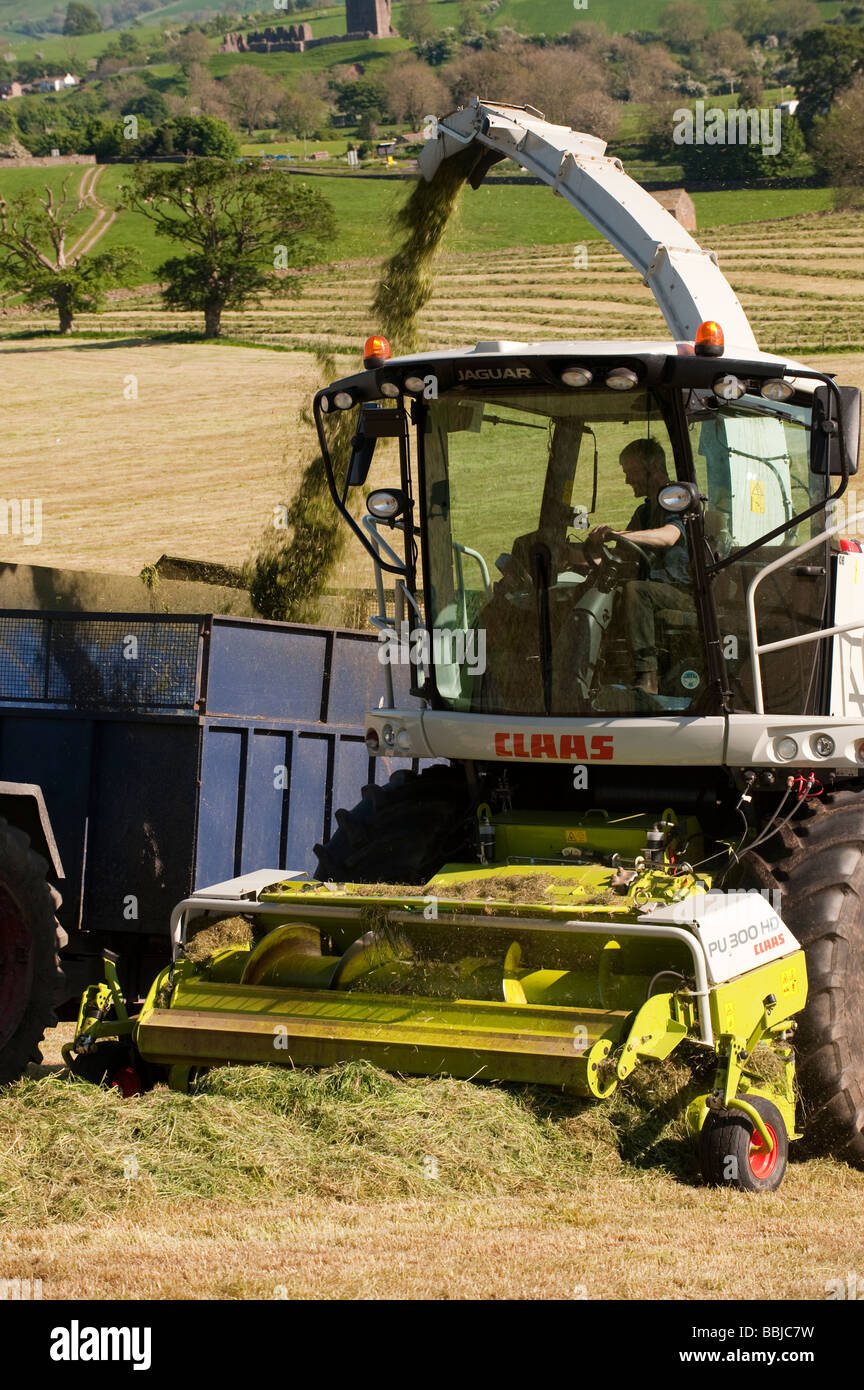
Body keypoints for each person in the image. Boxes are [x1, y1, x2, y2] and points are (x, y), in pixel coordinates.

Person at [585, 438, 691, 695]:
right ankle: (592, 672)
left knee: (636, 590)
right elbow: (620, 554)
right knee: (602, 593)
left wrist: (618, 534)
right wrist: (586, 551)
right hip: (654, 592)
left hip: (684, 594)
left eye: (631, 472)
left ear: (652, 468)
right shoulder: (643, 512)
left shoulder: (676, 499)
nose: (627, 480)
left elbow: (668, 536)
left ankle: (648, 675)